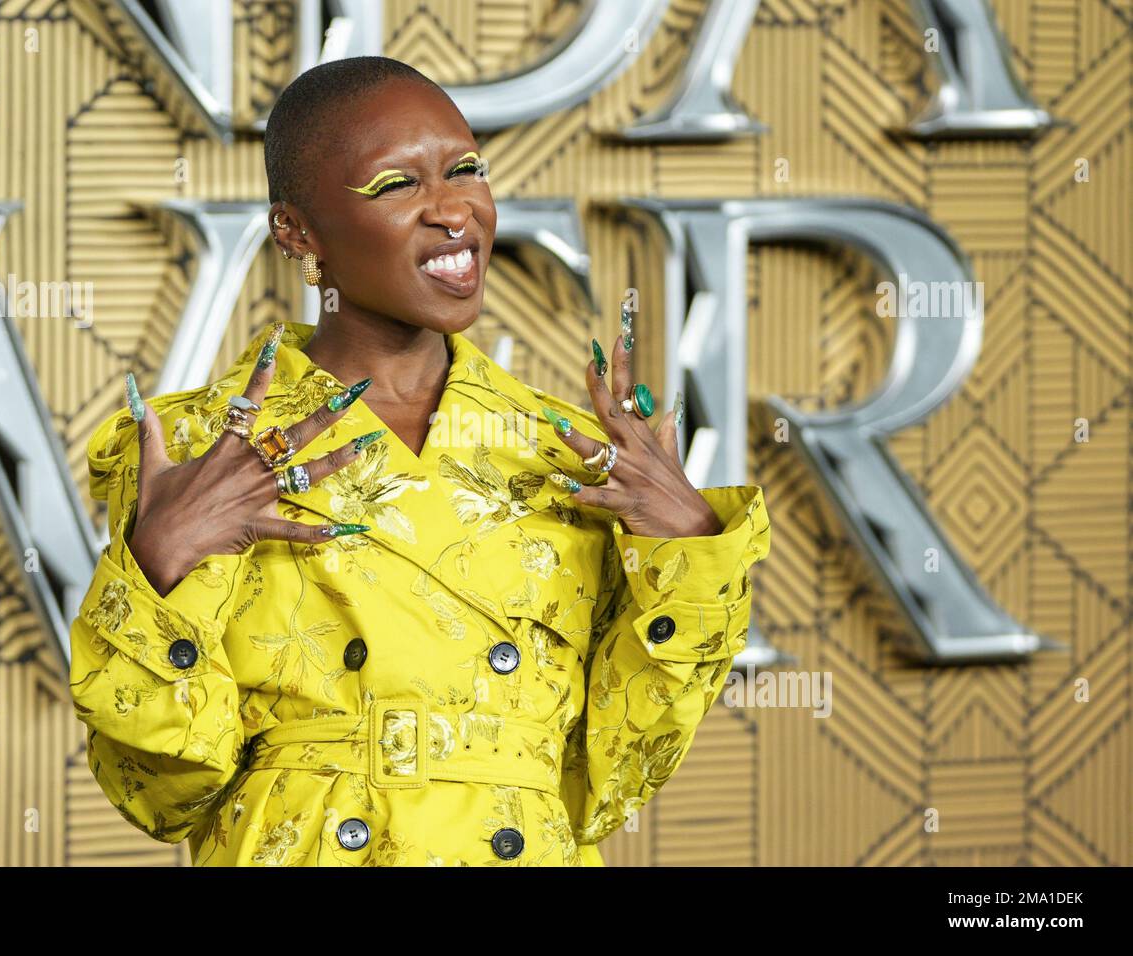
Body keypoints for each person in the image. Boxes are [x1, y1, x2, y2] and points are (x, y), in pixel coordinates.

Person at [69, 55, 771, 866]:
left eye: (466, 169)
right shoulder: (196, 449)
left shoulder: (574, 456)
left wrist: (691, 554)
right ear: (296, 231)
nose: (453, 210)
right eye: (396, 186)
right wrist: (153, 569)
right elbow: (159, 791)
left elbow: (609, 780)